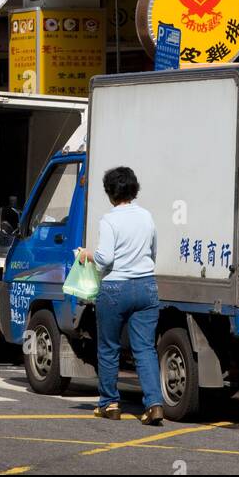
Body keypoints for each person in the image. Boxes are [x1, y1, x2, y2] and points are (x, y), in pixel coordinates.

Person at [79, 166, 163, 424]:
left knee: (108, 347)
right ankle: (154, 404)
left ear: (109, 193)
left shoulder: (109, 220)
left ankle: (110, 403)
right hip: (146, 286)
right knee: (145, 349)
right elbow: (153, 251)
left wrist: (85, 254)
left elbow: (104, 259)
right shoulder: (146, 217)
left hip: (116, 288)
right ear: (134, 188)